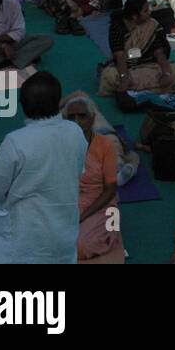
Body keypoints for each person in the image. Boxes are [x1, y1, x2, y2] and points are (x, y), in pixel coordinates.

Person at [0, 72, 88, 264]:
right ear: (57, 102)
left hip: (21, 241)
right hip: (62, 236)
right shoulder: (76, 132)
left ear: (23, 105)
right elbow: (76, 173)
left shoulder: (15, 142)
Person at [60, 97, 123, 262]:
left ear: (92, 118)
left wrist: (82, 216)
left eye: (82, 116)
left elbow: (110, 189)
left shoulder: (105, 145)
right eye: (71, 117)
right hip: (67, 201)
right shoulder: (58, 145)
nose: (77, 121)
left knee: (82, 247)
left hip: (100, 203)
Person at [97, 0, 175, 96]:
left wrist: (166, 73)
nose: (149, 12)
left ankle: (133, 91)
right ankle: (152, 89)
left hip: (149, 65)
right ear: (134, 16)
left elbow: (159, 52)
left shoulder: (152, 24)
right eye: (145, 11)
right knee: (109, 75)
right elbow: (119, 55)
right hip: (126, 67)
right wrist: (124, 77)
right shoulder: (117, 27)